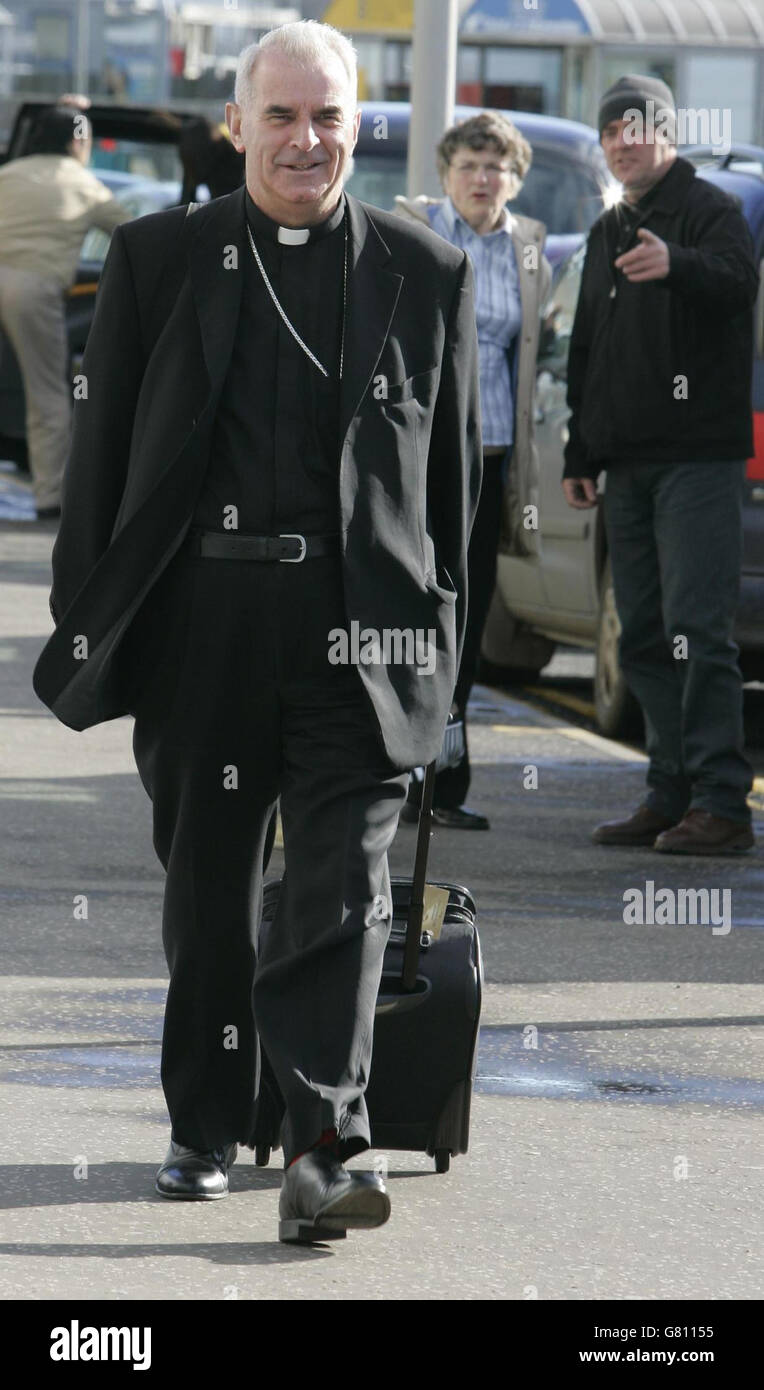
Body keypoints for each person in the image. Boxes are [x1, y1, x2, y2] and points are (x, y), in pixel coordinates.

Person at [33, 21, 481, 1243]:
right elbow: (104, 461)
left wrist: (449, 670)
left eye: (328, 116)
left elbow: (453, 497)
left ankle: (327, 1139)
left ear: (361, 122)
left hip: (365, 637)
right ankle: (203, 1122)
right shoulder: (158, 256)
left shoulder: (421, 268)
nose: (305, 140)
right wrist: (99, 629)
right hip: (206, 626)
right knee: (216, 891)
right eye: (279, 117)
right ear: (237, 124)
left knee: (337, 893)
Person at [563, 74, 758, 855]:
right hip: (627, 462)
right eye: (610, 132)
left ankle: (722, 804)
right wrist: (582, 449)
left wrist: (677, 262)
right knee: (639, 630)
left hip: (697, 461)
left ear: (666, 133)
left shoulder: (712, 211)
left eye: (636, 128)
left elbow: (739, 285)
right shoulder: (610, 226)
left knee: (696, 631)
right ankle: (669, 791)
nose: (621, 142)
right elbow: (588, 347)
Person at [396, 111, 551, 830]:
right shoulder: (412, 233)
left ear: (515, 179)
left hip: (488, 466)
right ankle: (388, 774)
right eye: (470, 165)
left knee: (465, 624)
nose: (484, 179)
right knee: (403, 613)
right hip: (417, 460)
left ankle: (444, 785)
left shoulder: (528, 251)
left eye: (498, 168)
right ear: (445, 174)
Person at [0, 105, 128, 520]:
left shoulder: (10, 173)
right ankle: (49, 496)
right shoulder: (86, 186)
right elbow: (132, 236)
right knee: (48, 394)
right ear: (78, 141)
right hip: (31, 291)